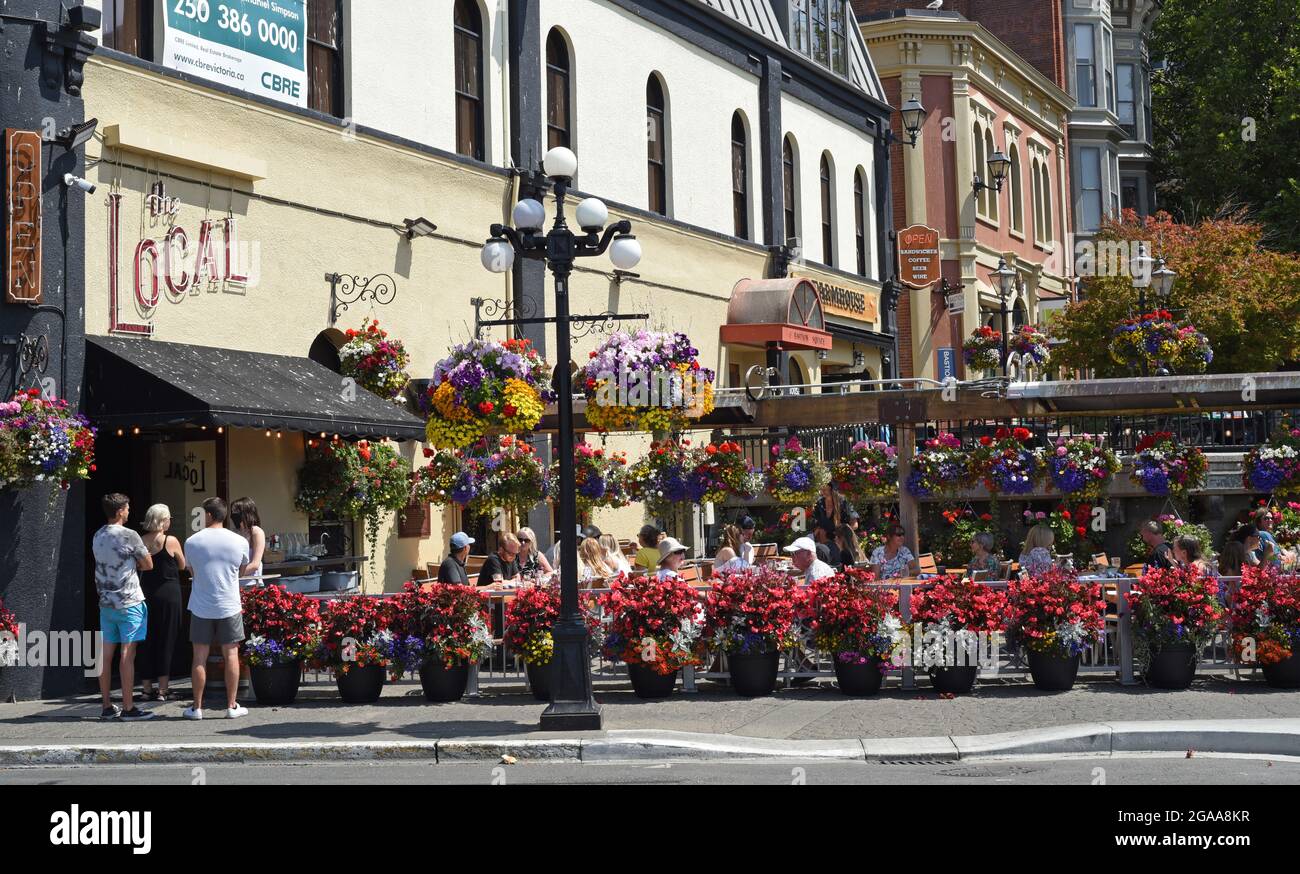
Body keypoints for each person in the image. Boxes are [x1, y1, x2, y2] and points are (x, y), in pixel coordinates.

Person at [90, 493, 156, 721]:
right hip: (129, 601)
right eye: (127, 508)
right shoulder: (130, 535)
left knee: (106, 654)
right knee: (127, 654)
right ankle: (128, 707)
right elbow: (148, 564)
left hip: (106, 602)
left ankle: (107, 706)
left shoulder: (98, 535)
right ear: (120, 511)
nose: (129, 511)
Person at [184, 497, 250, 721]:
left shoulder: (192, 541)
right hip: (229, 603)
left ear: (209, 515)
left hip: (200, 605)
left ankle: (197, 708)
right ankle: (231, 705)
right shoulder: (239, 541)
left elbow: (192, 572)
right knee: (231, 654)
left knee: (199, 657)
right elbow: (241, 571)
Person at [137, 504, 186, 702]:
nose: (170, 522)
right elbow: (182, 564)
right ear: (163, 520)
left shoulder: (140, 540)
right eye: (169, 518)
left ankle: (146, 688)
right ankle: (163, 689)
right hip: (168, 594)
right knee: (166, 639)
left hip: (145, 593)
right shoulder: (170, 540)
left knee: (146, 640)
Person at [229, 497, 266, 582]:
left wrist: (232, 575)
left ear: (246, 513)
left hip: (251, 583)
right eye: (232, 511)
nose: (233, 515)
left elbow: (255, 564)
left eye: (236, 512)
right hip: (235, 583)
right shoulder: (234, 532)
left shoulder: (256, 532)